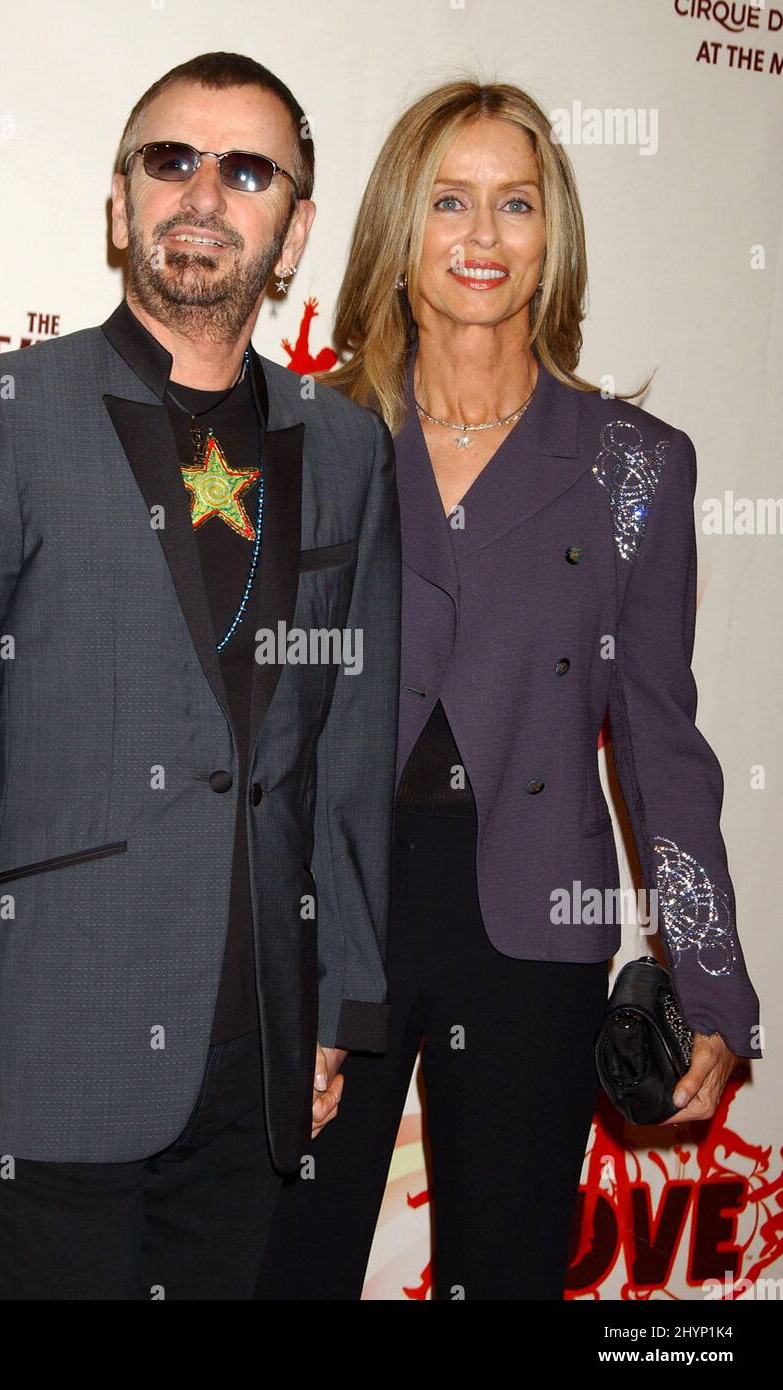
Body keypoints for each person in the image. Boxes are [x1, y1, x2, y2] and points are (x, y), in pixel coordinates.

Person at [0, 51, 400, 1300]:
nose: (203, 193)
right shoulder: (1, 408)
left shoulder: (346, 448)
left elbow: (348, 747)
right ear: (120, 204)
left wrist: (339, 1002)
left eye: (247, 171)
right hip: (50, 1050)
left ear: (294, 230)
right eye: (170, 160)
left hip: (256, 1059)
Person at [255, 79, 762, 1301]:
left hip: (533, 919)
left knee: (506, 1275)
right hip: (330, 913)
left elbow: (660, 744)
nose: (481, 235)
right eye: (448, 201)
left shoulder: (634, 466)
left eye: (514, 204)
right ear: (399, 228)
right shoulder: (310, 439)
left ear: (552, 237)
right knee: (284, 1267)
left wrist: (706, 975)